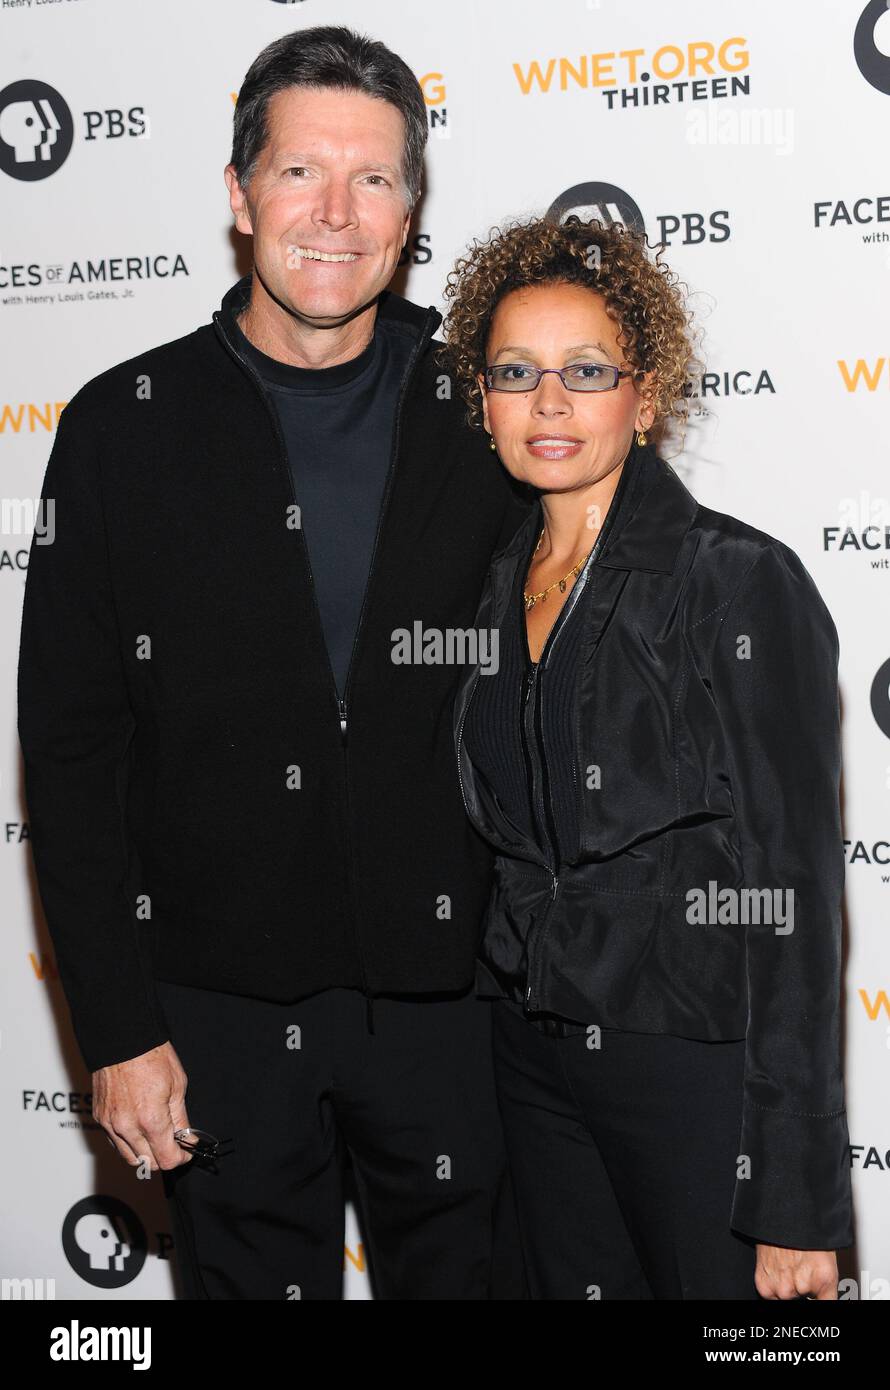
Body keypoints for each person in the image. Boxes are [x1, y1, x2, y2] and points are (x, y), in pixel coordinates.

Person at [17, 26, 530, 1300]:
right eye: (301, 172)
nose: (336, 214)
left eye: (374, 179)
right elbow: (71, 756)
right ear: (239, 195)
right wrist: (118, 1030)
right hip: (215, 1012)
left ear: (411, 210)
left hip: (456, 1006)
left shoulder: (490, 410)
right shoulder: (123, 428)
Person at [443, 213, 855, 1300]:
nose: (548, 402)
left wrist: (793, 1193)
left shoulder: (734, 580)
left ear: (646, 392)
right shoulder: (493, 582)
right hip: (530, 1061)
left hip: (693, 1068)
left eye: (586, 370)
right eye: (515, 372)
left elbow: (794, 902)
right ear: (481, 399)